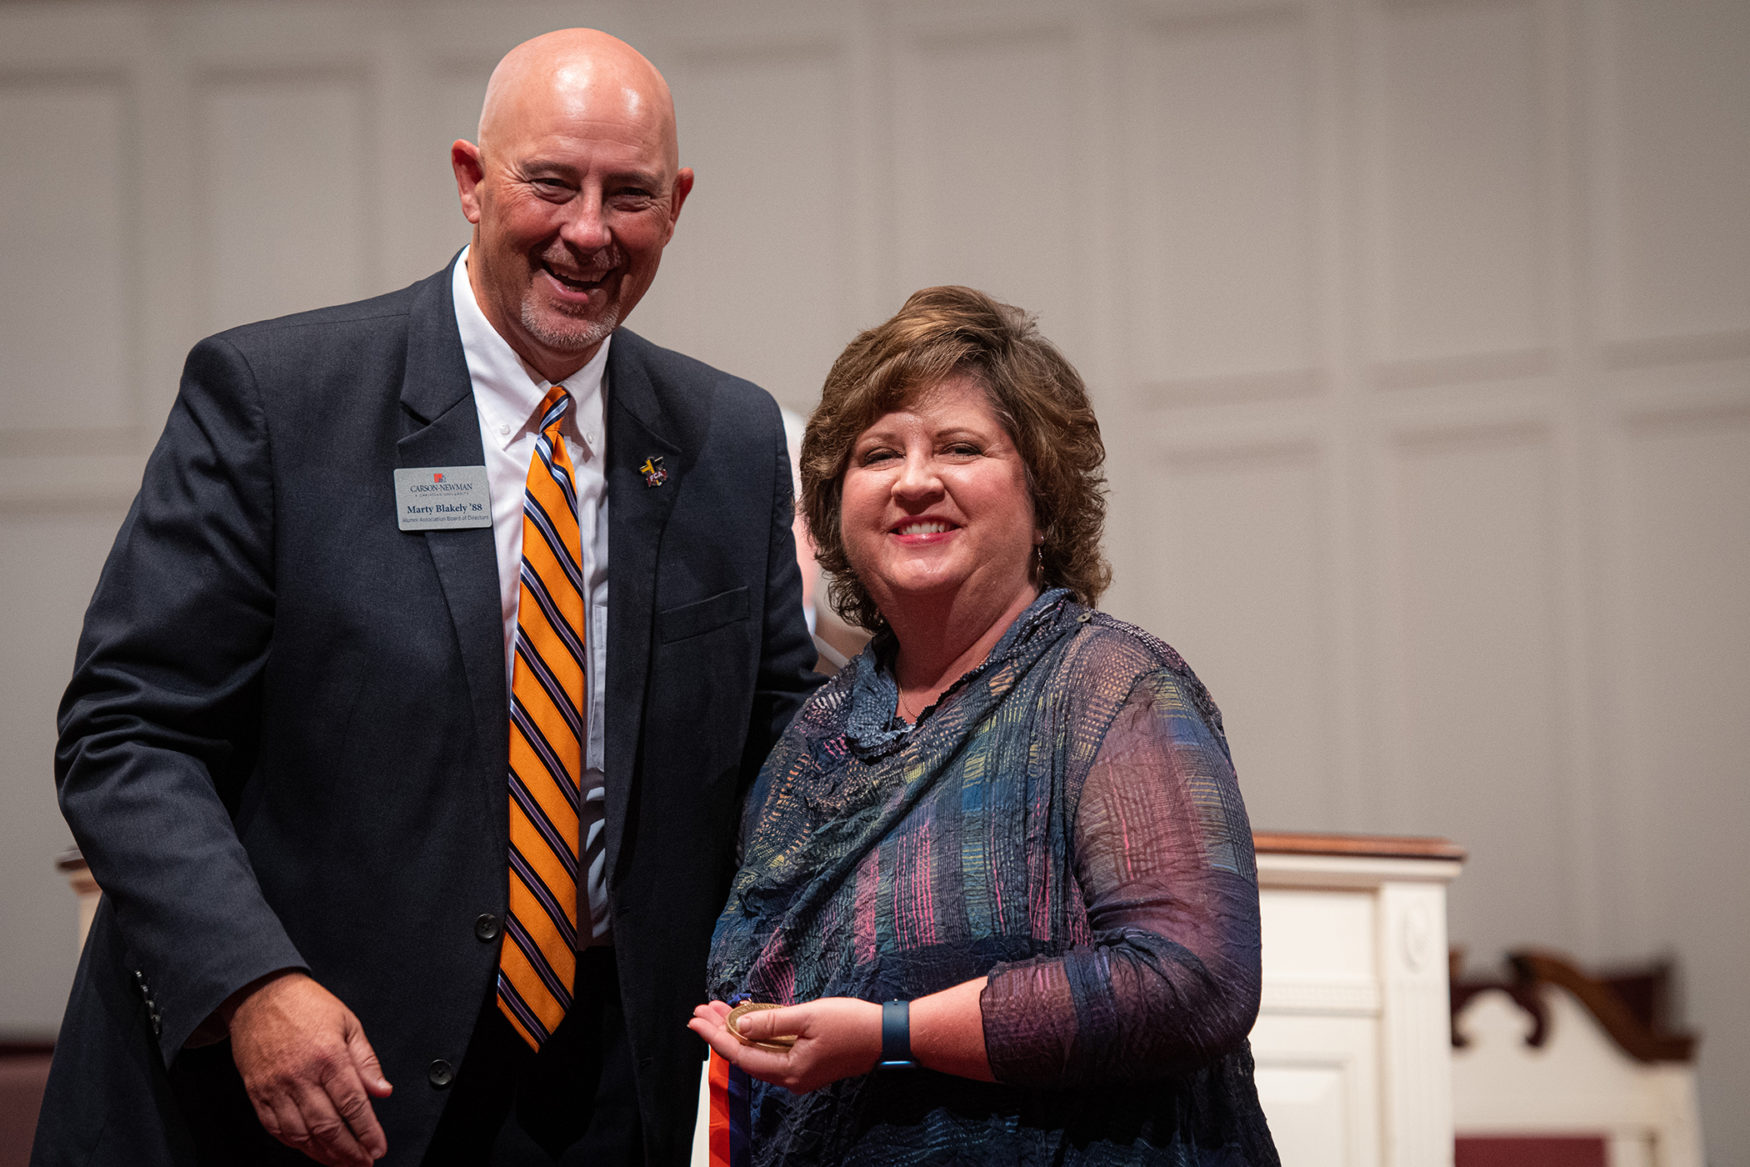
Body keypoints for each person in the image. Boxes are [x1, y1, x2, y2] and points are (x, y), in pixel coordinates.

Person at [36, 28, 818, 1167]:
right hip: (307, 1083)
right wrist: (252, 983)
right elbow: (126, 733)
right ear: (471, 179)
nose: (588, 230)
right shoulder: (276, 403)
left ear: (677, 202)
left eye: (629, 194)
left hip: (607, 1088)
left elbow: (781, 749)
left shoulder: (731, 439)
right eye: (550, 182)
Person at [690, 286, 1280, 1163]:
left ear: (1041, 495)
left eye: (959, 447)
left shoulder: (1110, 686)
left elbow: (1193, 981)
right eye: (877, 453)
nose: (914, 479)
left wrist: (893, 1032)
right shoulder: (811, 738)